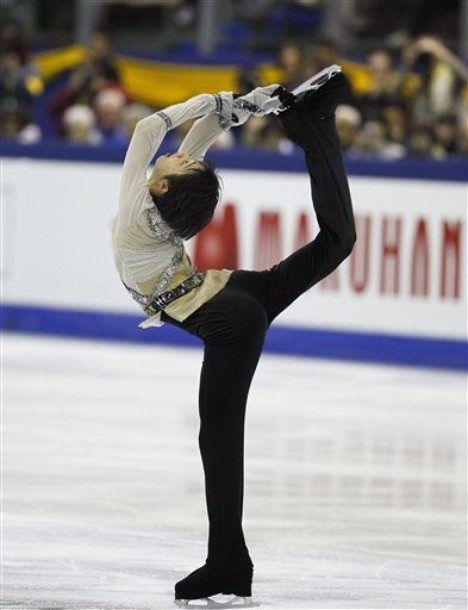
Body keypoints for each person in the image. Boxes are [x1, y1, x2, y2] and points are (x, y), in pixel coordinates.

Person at [112, 67, 356, 603]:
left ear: (161, 186)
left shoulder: (141, 207)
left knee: (218, 438)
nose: (178, 154)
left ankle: (228, 564)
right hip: (236, 297)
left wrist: (233, 102)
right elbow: (190, 138)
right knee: (337, 242)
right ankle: (317, 126)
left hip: (227, 316)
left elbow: (154, 128)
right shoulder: (151, 198)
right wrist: (243, 104)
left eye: (178, 163)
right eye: (182, 161)